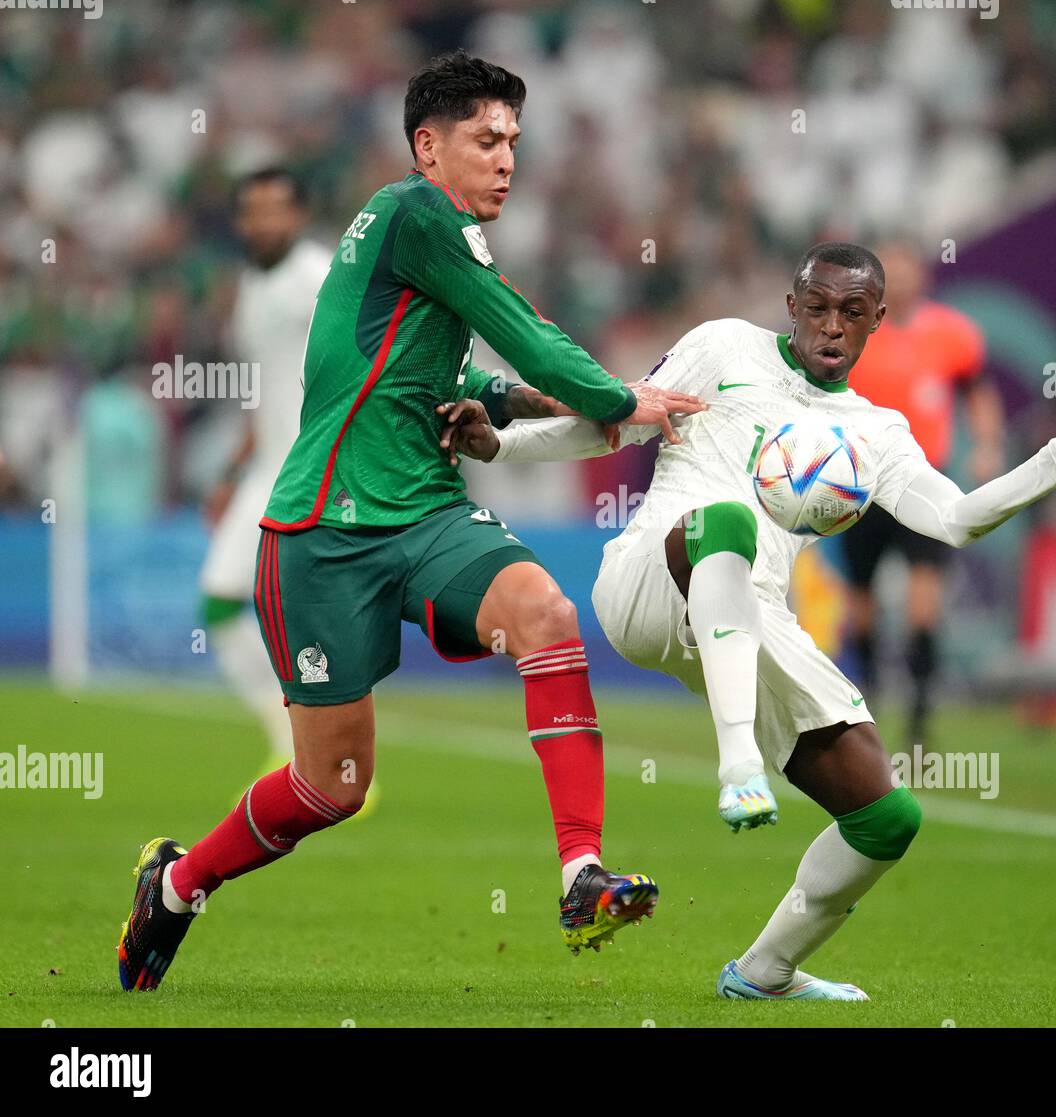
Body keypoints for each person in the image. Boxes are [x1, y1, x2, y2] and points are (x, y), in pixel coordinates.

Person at [117, 51, 702, 991]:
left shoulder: (409, 234)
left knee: (547, 616)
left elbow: (439, 376)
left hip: (426, 513)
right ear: (428, 148)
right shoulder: (418, 215)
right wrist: (617, 397)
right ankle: (178, 884)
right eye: (486, 139)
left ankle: (581, 874)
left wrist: (511, 410)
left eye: (514, 139)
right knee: (329, 789)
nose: (508, 158)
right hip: (320, 533)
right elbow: (521, 328)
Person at [450, 242, 1056, 1000]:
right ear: (791, 307)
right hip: (648, 578)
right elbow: (617, 420)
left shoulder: (877, 433)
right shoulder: (721, 347)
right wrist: (503, 443)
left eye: (850, 312)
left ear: (878, 319)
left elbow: (957, 519)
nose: (830, 326)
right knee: (728, 521)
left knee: (886, 815)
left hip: (751, 614)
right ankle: (738, 765)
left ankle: (766, 970)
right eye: (816, 308)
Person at [843, 240, 1004, 749]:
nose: (903, 280)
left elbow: (978, 392)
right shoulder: (853, 331)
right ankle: (865, 709)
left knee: (923, 604)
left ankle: (919, 720)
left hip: (920, 481)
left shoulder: (952, 334)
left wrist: (987, 444)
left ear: (924, 277)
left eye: (909, 271)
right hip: (859, 482)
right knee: (862, 603)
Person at [199, 168, 332, 771]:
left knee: (298, 611)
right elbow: (261, 392)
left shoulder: (319, 277)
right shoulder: (252, 285)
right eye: (252, 211)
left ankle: (325, 757)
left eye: (276, 209)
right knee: (222, 604)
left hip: (315, 470)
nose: (263, 222)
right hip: (265, 474)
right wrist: (232, 470)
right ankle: (294, 747)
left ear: (299, 215)